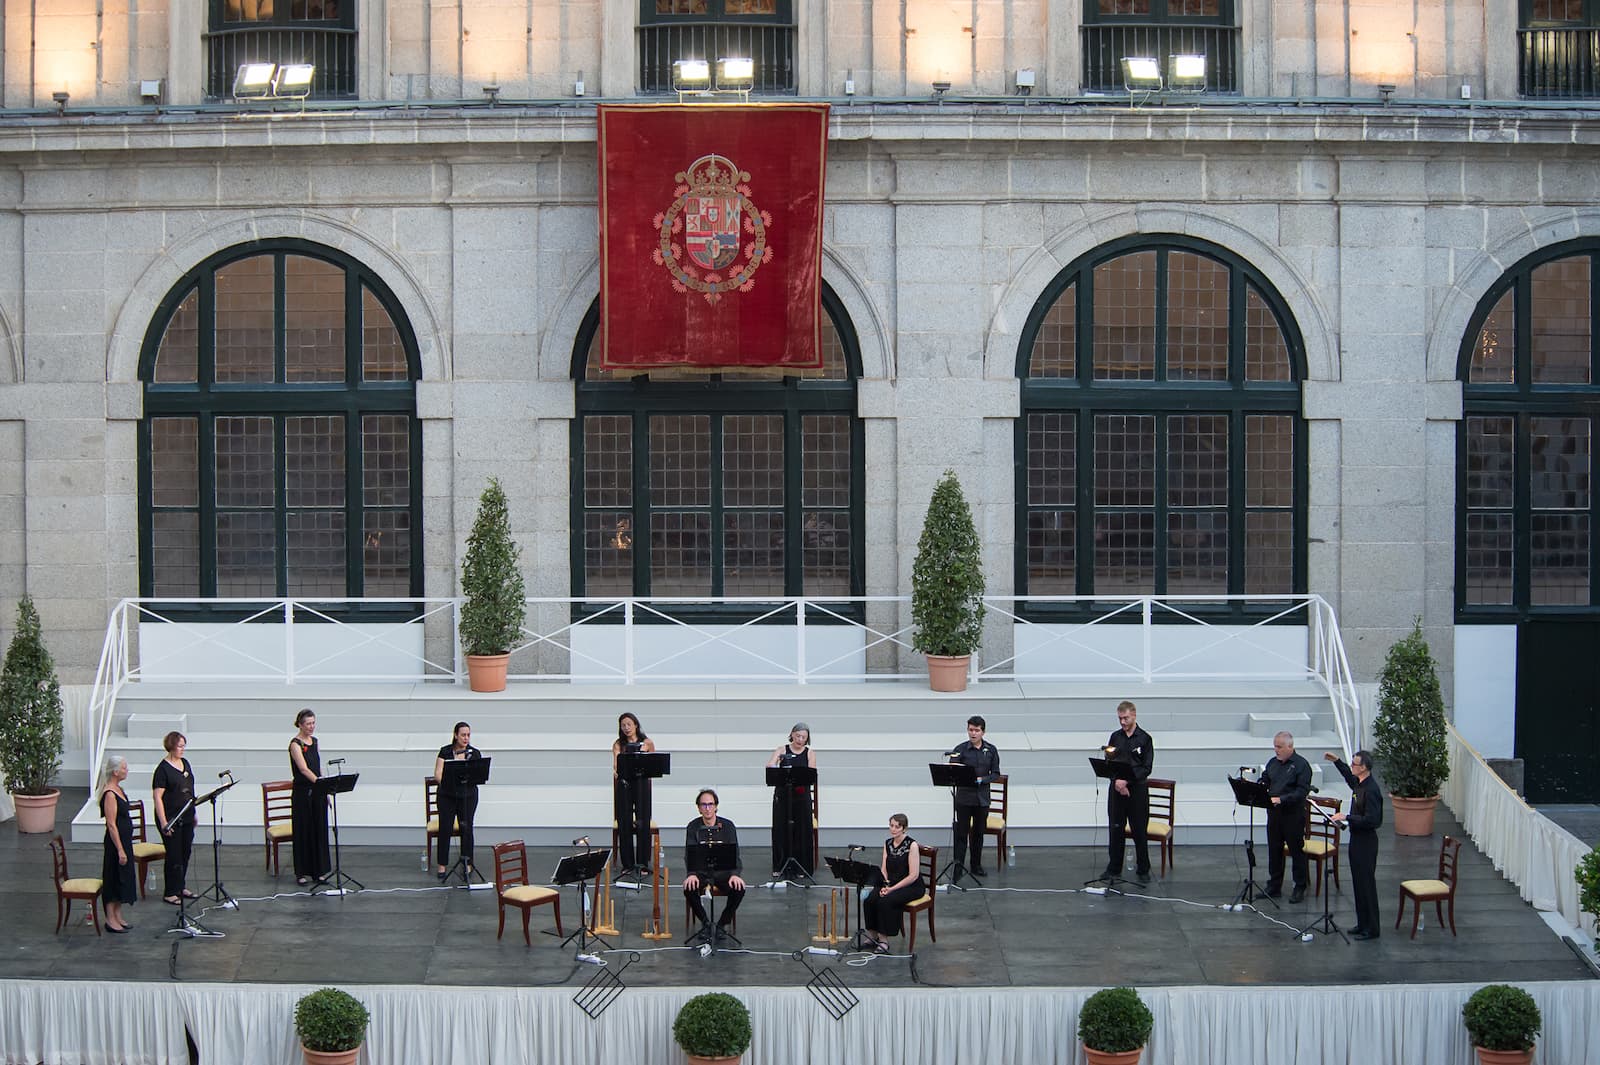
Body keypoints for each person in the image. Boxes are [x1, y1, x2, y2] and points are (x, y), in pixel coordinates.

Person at [1325, 749, 1385, 940]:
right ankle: (1362, 923)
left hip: (1366, 843)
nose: (1351, 766)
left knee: (1367, 885)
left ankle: (1372, 928)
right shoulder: (1358, 783)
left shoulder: (1372, 790)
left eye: (1354, 764)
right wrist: (1338, 761)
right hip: (1356, 840)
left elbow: (1373, 820)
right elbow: (1347, 776)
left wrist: (1347, 817)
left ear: (1364, 768)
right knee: (1358, 884)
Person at [1101, 700, 1154, 883]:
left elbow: (1146, 768)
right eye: (1120, 718)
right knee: (1116, 828)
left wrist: (1127, 782)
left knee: (1139, 829)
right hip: (1117, 791)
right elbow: (1109, 762)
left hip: (1137, 791)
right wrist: (1117, 782)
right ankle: (1114, 867)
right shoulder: (1115, 737)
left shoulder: (1145, 739)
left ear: (1134, 715)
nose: (1122, 722)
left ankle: (1143, 869)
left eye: (1126, 718)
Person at [682, 789, 746, 939]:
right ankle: (706, 923)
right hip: (702, 873)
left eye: (710, 804)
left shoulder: (728, 826)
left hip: (723, 873)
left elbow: (735, 853)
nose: (707, 808)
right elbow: (689, 853)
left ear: (716, 806)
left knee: (739, 889)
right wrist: (691, 874)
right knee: (689, 888)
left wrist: (735, 875)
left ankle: (721, 925)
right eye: (703, 805)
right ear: (698, 808)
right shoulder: (693, 826)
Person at [1260, 730, 1313, 903]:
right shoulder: (1273, 763)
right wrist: (1259, 786)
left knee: (1296, 850)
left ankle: (1300, 886)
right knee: (1274, 849)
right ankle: (1274, 885)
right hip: (1274, 814)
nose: (1276, 750)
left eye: (1280, 747)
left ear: (1290, 746)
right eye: (1275, 746)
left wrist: (1282, 799)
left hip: (1292, 815)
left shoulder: (1301, 765)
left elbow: (1301, 792)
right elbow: (1265, 779)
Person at [861, 813, 924, 954]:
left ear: (904, 828)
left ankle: (884, 940)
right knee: (870, 899)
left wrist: (891, 890)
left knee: (885, 901)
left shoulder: (912, 845)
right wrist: (884, 885)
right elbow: (884, 868)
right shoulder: (887, 843)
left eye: (897, 826)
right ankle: (873, 935)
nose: (894, 829)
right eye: (891, 826)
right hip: (891, 883)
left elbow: (913, 875)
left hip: (911, 886)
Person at [949, 715, 1001, 876]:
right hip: (964, 798)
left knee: (978, 834)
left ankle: (976, 865)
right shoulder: (960, 749)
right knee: (961, 834)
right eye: (970, 730)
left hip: (982, 799)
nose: (973, 733)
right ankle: (958, 868)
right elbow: (952, 770)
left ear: (982, 732)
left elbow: (996, 774)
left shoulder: (991, 750)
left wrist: (983, 779)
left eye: (976, 730)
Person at [150, 731, 197, 905]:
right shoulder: (162, 769)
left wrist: (194, 814)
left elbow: (190, 790)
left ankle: (180, 886)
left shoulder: (185, 763)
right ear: (171, 746)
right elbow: (157, 797)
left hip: (187, 816)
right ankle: (170, 891)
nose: (183, 749)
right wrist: (164, 822)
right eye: (180, 746)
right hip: (171, 818)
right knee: (174, 855)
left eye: (184, 746)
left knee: (185, 852)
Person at [433, 721, 483, 880]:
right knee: (445, 828)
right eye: (463, 735)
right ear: (455, 735)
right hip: (447, 795)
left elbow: (478, 775)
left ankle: (467, 863)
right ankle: (442, 865)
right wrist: (448, 785)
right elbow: (438, 773)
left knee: (467, 828)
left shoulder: (474, 753)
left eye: (468, 735)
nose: (466, 738)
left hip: (468, 796)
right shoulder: (445, 751)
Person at [767, 722, 816, 879]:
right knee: (781, 828)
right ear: (792, 735)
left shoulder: (809, 752)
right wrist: (777, 763)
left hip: (801, 797)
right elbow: (770, 765)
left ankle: (802, 867)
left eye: (804, 737)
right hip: (783, 796)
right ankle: (780, 865)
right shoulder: (782, 749)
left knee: (802, 829)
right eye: (798, 736)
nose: (800, 740)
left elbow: (811, 773)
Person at [288, 708, 332, 885]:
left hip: (317, 792)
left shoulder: (315, 741)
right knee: (304, 831)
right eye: (308, 723)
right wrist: (319, 784)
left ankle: (319, 871)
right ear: (300, 724)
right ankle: (302, 872)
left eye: (313, 723)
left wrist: (324, 788)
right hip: (303, 793)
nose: (311, 727)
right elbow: (304, 769)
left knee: (319, 830)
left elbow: (317, 766)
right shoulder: (295, 744)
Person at [612, 713, 657, 873]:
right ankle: (628, 864)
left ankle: (643, 863)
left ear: (636, 725)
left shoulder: (647, 742)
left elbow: (654, 764)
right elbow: (617, 767)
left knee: (643, 822)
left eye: (629, 724)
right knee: (624, 822)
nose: (626, 728)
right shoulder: (618, 744)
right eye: (623, 725)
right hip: (625, 785)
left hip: (642, 785)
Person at [99, 754, 137, 933]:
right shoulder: (110, 794)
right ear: (115, 772)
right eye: (124, 767)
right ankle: (110, 918)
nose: (126, 770)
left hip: (125, 841)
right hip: (116, 845)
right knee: (114, 878)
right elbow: (111, 824)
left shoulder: (119, 789)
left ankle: (118, 914)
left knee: (124, 878)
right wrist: (120, 849)